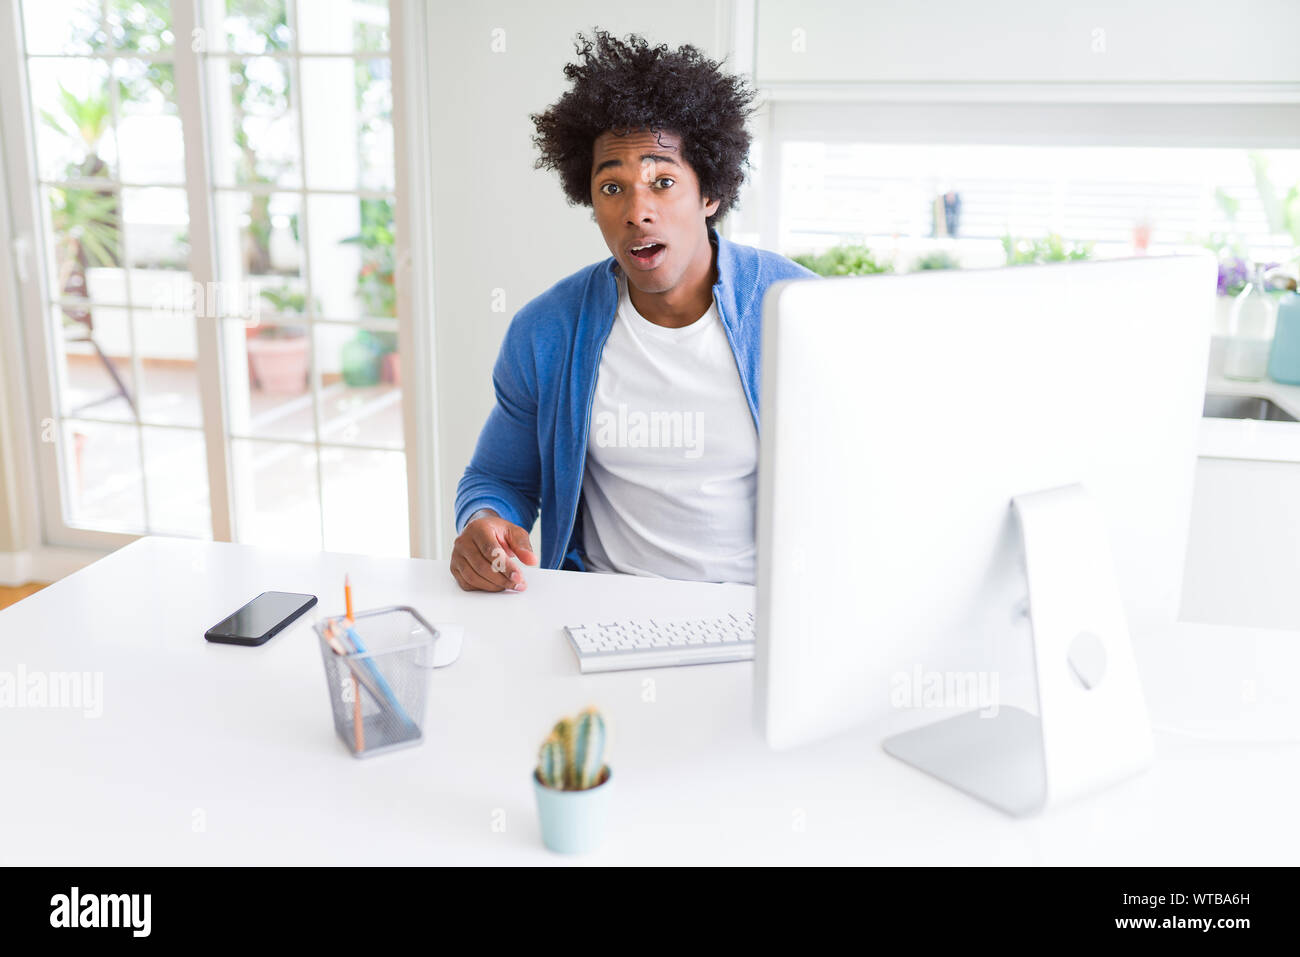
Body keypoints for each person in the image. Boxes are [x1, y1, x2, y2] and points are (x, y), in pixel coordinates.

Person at [451, 29, 816, 593]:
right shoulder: (546, 332)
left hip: (762, 616)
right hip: (603, 610)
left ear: (710, 193)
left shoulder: (799, 312)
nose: (637, 211)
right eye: (612, 187)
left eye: (663, 182)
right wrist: (485, 522)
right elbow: (499, 476)